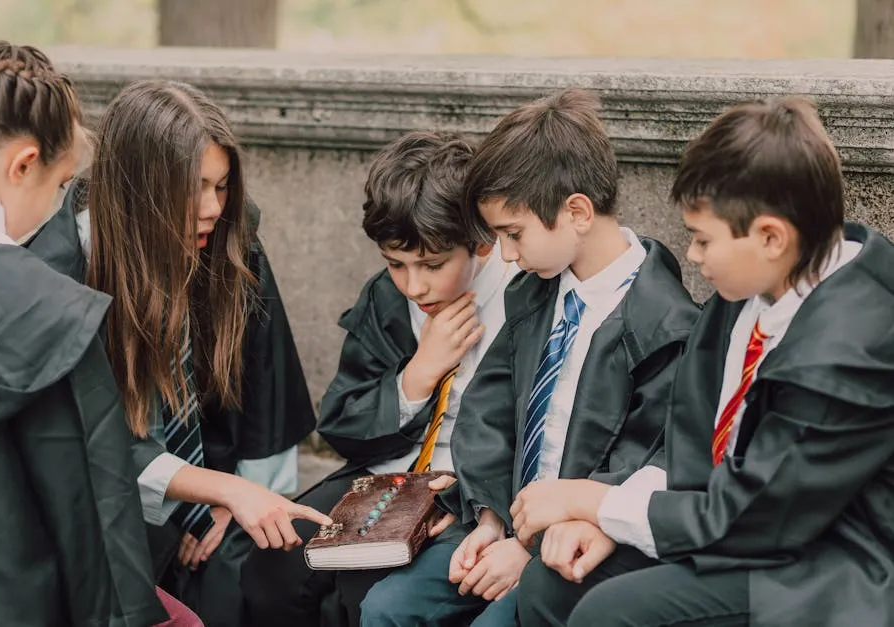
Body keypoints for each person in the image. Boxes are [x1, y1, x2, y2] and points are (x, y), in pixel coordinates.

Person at [511, 96, 894, 627]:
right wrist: (612, 517)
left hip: (824, 556)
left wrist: (594, 503)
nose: (690, 256)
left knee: (612, 613)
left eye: (702, 239)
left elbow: (760, 515)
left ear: (769, 236)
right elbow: (691, 442)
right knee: (553, 584)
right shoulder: (748, 287)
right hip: (733, 515)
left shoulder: (849, 352)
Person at [360, 88, 699, 626]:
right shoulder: (534, 294)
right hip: (504, 520)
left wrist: (528, 548)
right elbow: (487, 411)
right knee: (387, 608)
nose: (508, 255)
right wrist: (491, 519)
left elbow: (644, 462)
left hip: (576, 543)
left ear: (578, 212)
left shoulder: (665, 327)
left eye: (513, 234)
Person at [28, 78, 329, 627]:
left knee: (269, 573)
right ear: (137, 190)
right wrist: (214, 494)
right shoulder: (60, 276)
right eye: (194, 188)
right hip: (114, 506)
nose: (212, 207)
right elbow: (90, 441)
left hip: (218, 472)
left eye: (222, 185)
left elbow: (266, 386)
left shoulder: (228, 237)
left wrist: (240, 501)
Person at [243, 130, 518, 626]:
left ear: (482, 240)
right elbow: (342, 422)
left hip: (473, 482)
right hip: (389, 471)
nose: (415, 285)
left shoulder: (522, 294)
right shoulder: (388, 298)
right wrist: (416, 377)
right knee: (276, 560)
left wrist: (469, 495)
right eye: (396, 264)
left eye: (433, 264)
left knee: (367, 579)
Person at [0, 51, 168, 626]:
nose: (57, 202)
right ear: (24, 164)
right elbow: (97, 515)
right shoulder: (51, 314)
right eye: (62, 182)